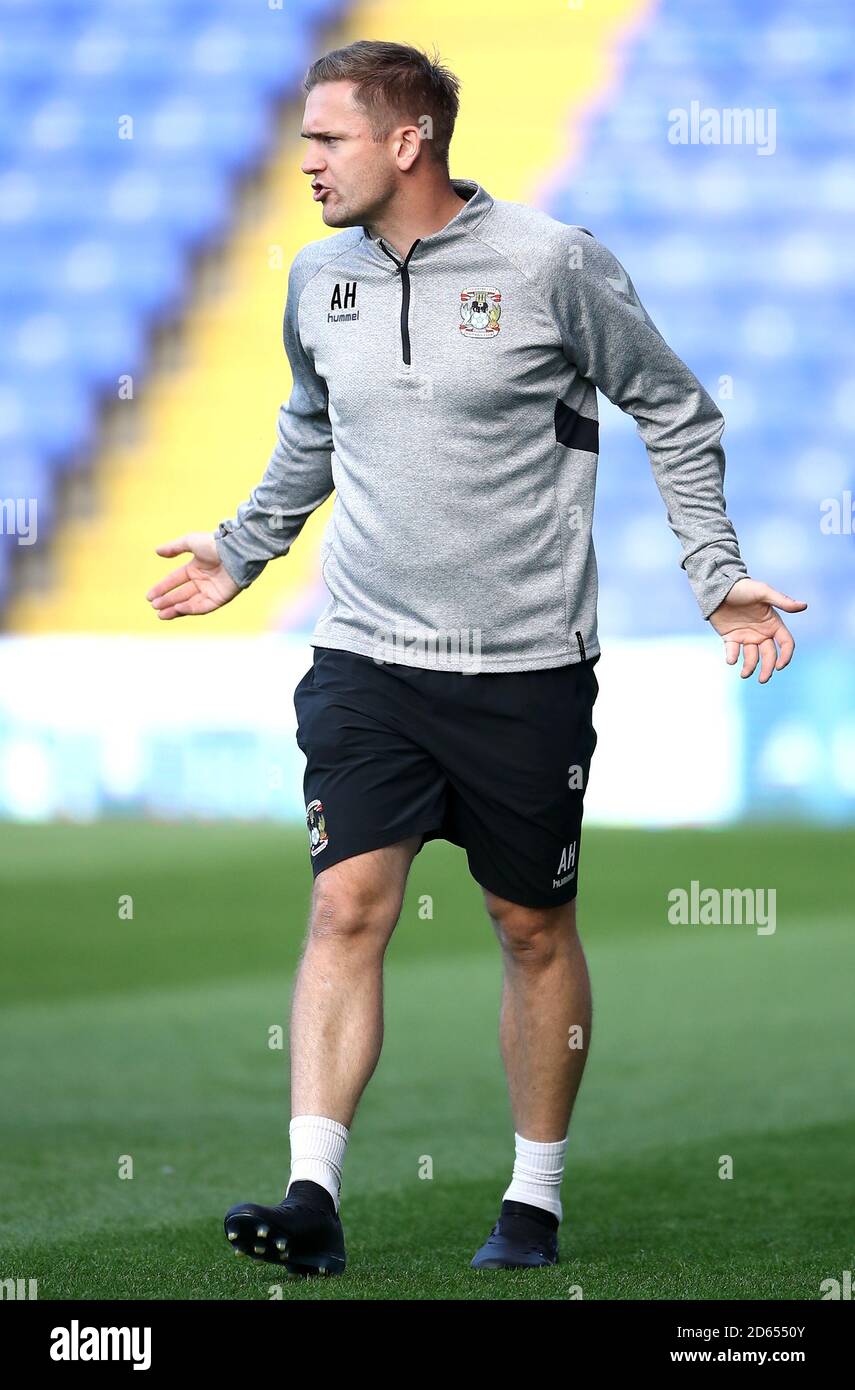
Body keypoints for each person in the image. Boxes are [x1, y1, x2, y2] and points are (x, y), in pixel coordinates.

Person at [145, 40, 806, 1276]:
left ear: (408, 143)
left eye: (327, 139)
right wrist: (244, 550)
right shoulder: (313, 279)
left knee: (528, 925)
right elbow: (311, 429)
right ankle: (312, 1193)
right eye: (302, 141)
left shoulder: (553, 265)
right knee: (347, 903)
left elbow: (674, 405)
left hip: (525, 669)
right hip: (366, 654)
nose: (305, 163)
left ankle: (533, 1198)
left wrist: (713, 572)